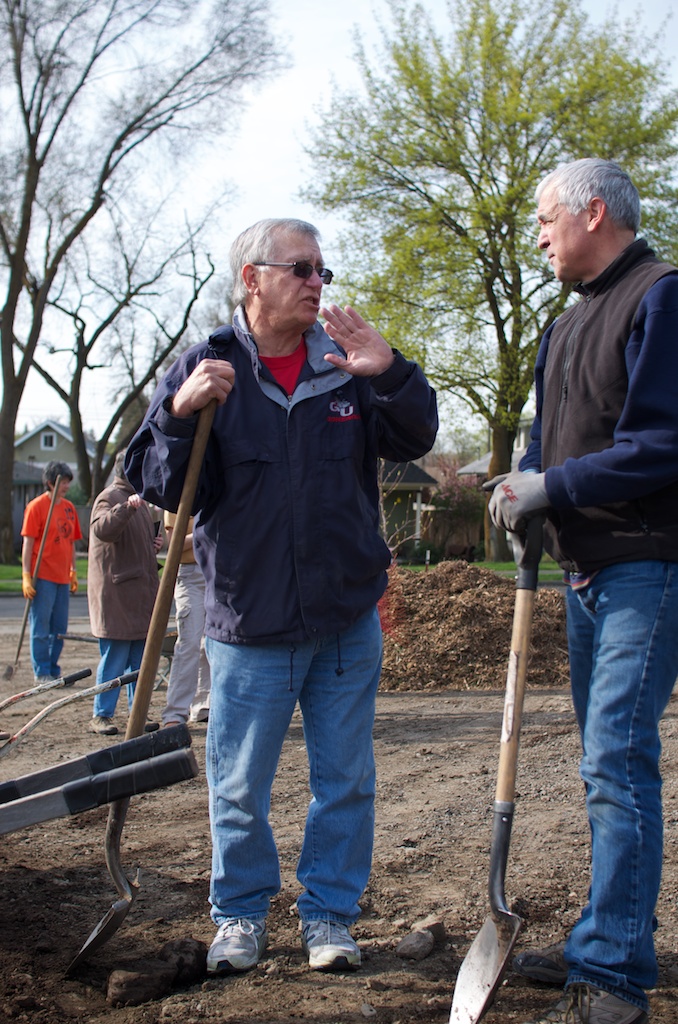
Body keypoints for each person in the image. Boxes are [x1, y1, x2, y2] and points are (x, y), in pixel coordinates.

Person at [125, 217, 438, 977]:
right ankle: (238, 917)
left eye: (322, 270)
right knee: (238, 787)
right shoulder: (207, 363)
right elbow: (152, 479)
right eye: (301, 268)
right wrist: (177, 413)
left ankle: (328, 914)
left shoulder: (347, 365)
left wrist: (391, 369)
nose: (317, 283)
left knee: (346, 782)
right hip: (249, 622)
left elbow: (417, 438)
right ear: (252, 278)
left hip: (343, 621)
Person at [488, 158, 678, 1024]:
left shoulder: (661, 298)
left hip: (648, 562)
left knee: (616, 761)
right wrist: (521, 481)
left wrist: (552, 487)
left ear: (593, 212)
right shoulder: (563, 327)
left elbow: (663, 444)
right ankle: (605, 941)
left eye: (544, 219)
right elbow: (545, 440)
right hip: (581, 570)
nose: (537, 235)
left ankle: (611, 982)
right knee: (601, 763)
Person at [87, 449, 163, 736]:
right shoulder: (109, 498)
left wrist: (155, 543)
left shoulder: (139, 502)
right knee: (114, 659)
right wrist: (127, 508)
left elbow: (139, 541)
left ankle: (137, 714)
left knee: (139, 660)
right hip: (118, 598)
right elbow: (102, 530)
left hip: (139, 597)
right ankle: (101, 715)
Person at [21, 460, 82, 683]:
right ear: (50, 482)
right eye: (63, 482)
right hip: (43, 575)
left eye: (67, 482)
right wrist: (26, 575)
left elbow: (72, 542)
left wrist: (73, 570)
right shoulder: (36, 507)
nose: (66, 486)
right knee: (41, 626)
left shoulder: (69, 507)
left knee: (59, 628)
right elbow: (28, 544)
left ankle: (54, 668)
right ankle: (42, 671)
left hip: (62, 576)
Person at [161, 511, 211, 727]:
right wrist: (205, 531)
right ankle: (175, 712)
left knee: (210, 645)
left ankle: (203, 705)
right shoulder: (180, 499)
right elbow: (176, 544)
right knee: (189, 642)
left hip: (215, 572)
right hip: (190, 576)